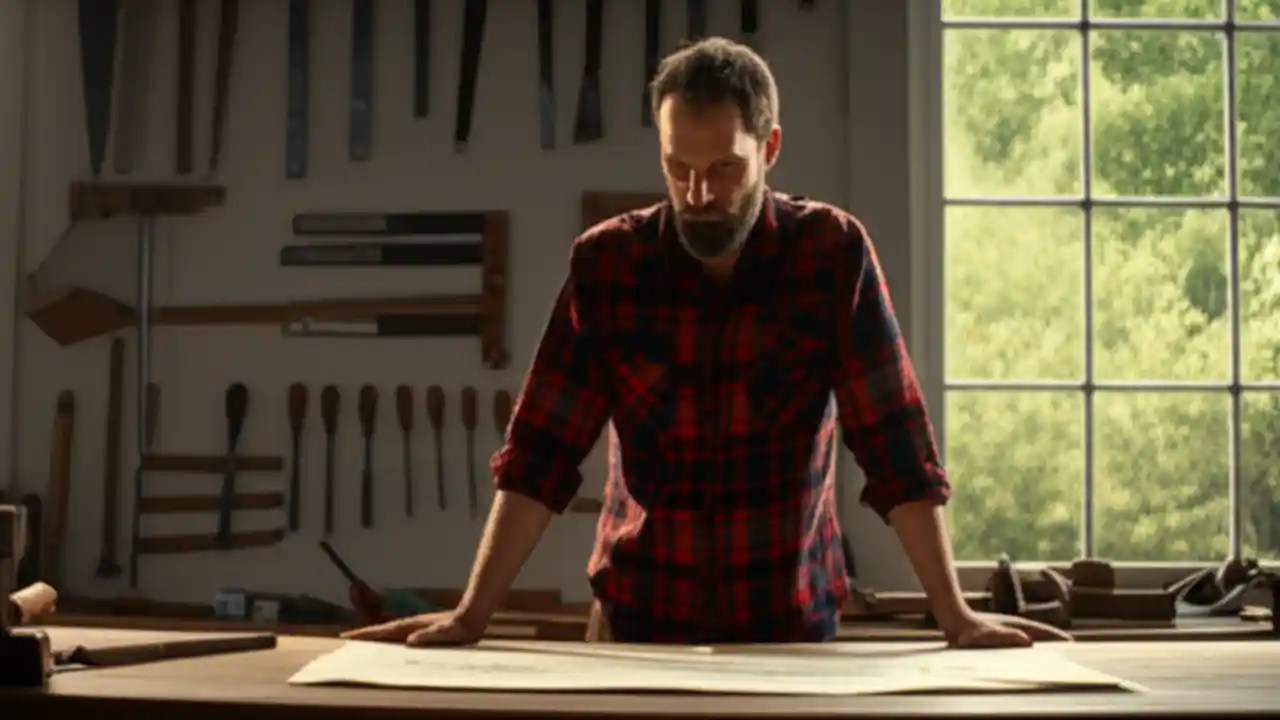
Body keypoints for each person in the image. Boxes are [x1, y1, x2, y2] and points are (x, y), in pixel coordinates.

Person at [343, 37, 1069, 648]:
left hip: (787, 632)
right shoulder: (609, 265)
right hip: (637, 627)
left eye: (724, 169)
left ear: (770, 148)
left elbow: (897, 446)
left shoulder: (831, 254)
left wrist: (956, 615)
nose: (697, 195)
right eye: (676, 168)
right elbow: (540, 453)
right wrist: (472, 616)